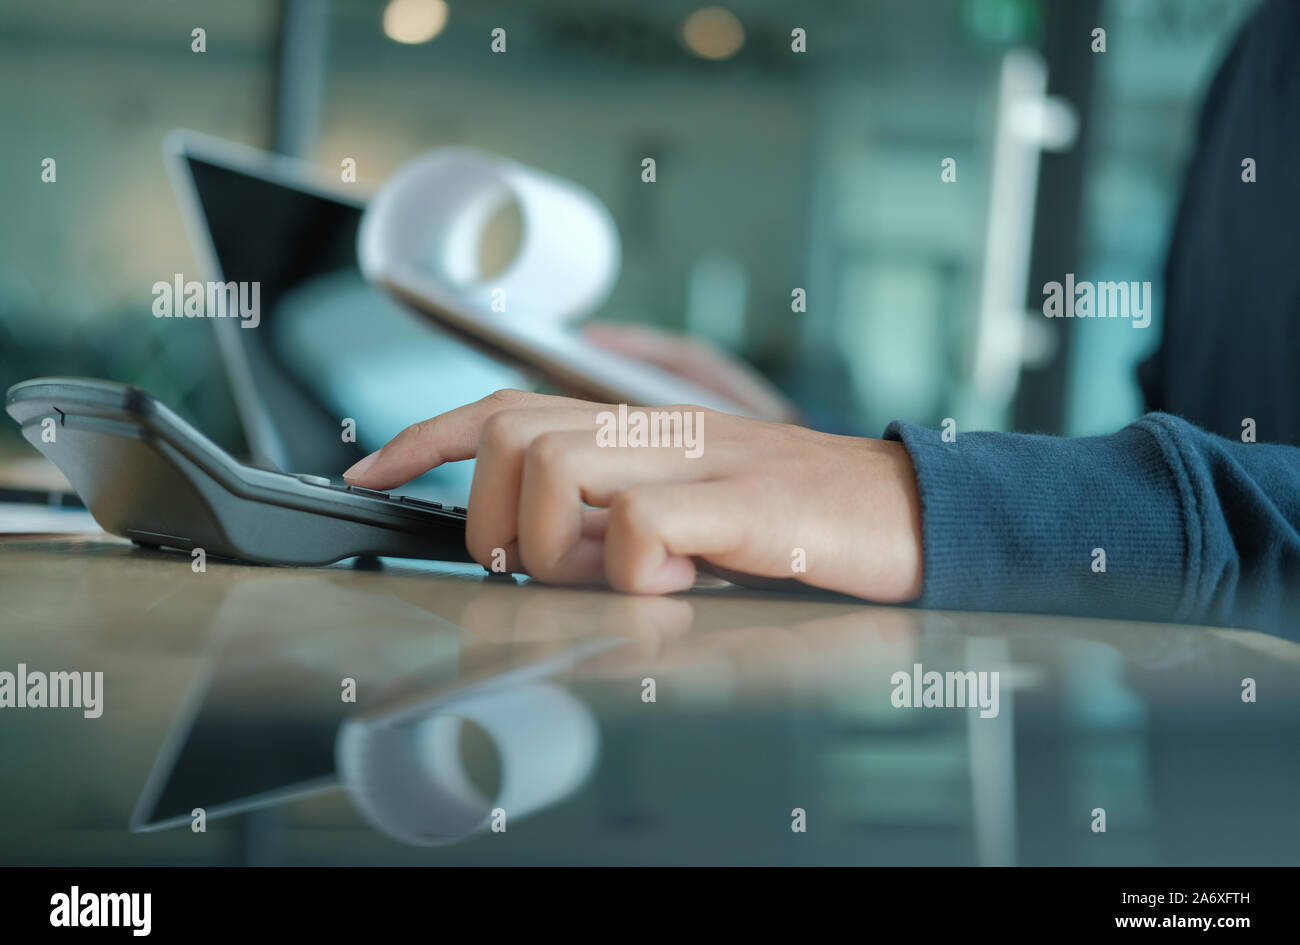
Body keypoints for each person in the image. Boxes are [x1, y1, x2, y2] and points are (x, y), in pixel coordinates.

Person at [345, 0, 1300, 637]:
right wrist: (815, 454)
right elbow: (1199, 440)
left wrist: (933, 499)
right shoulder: (1258, 57)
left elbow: (1202, 507)